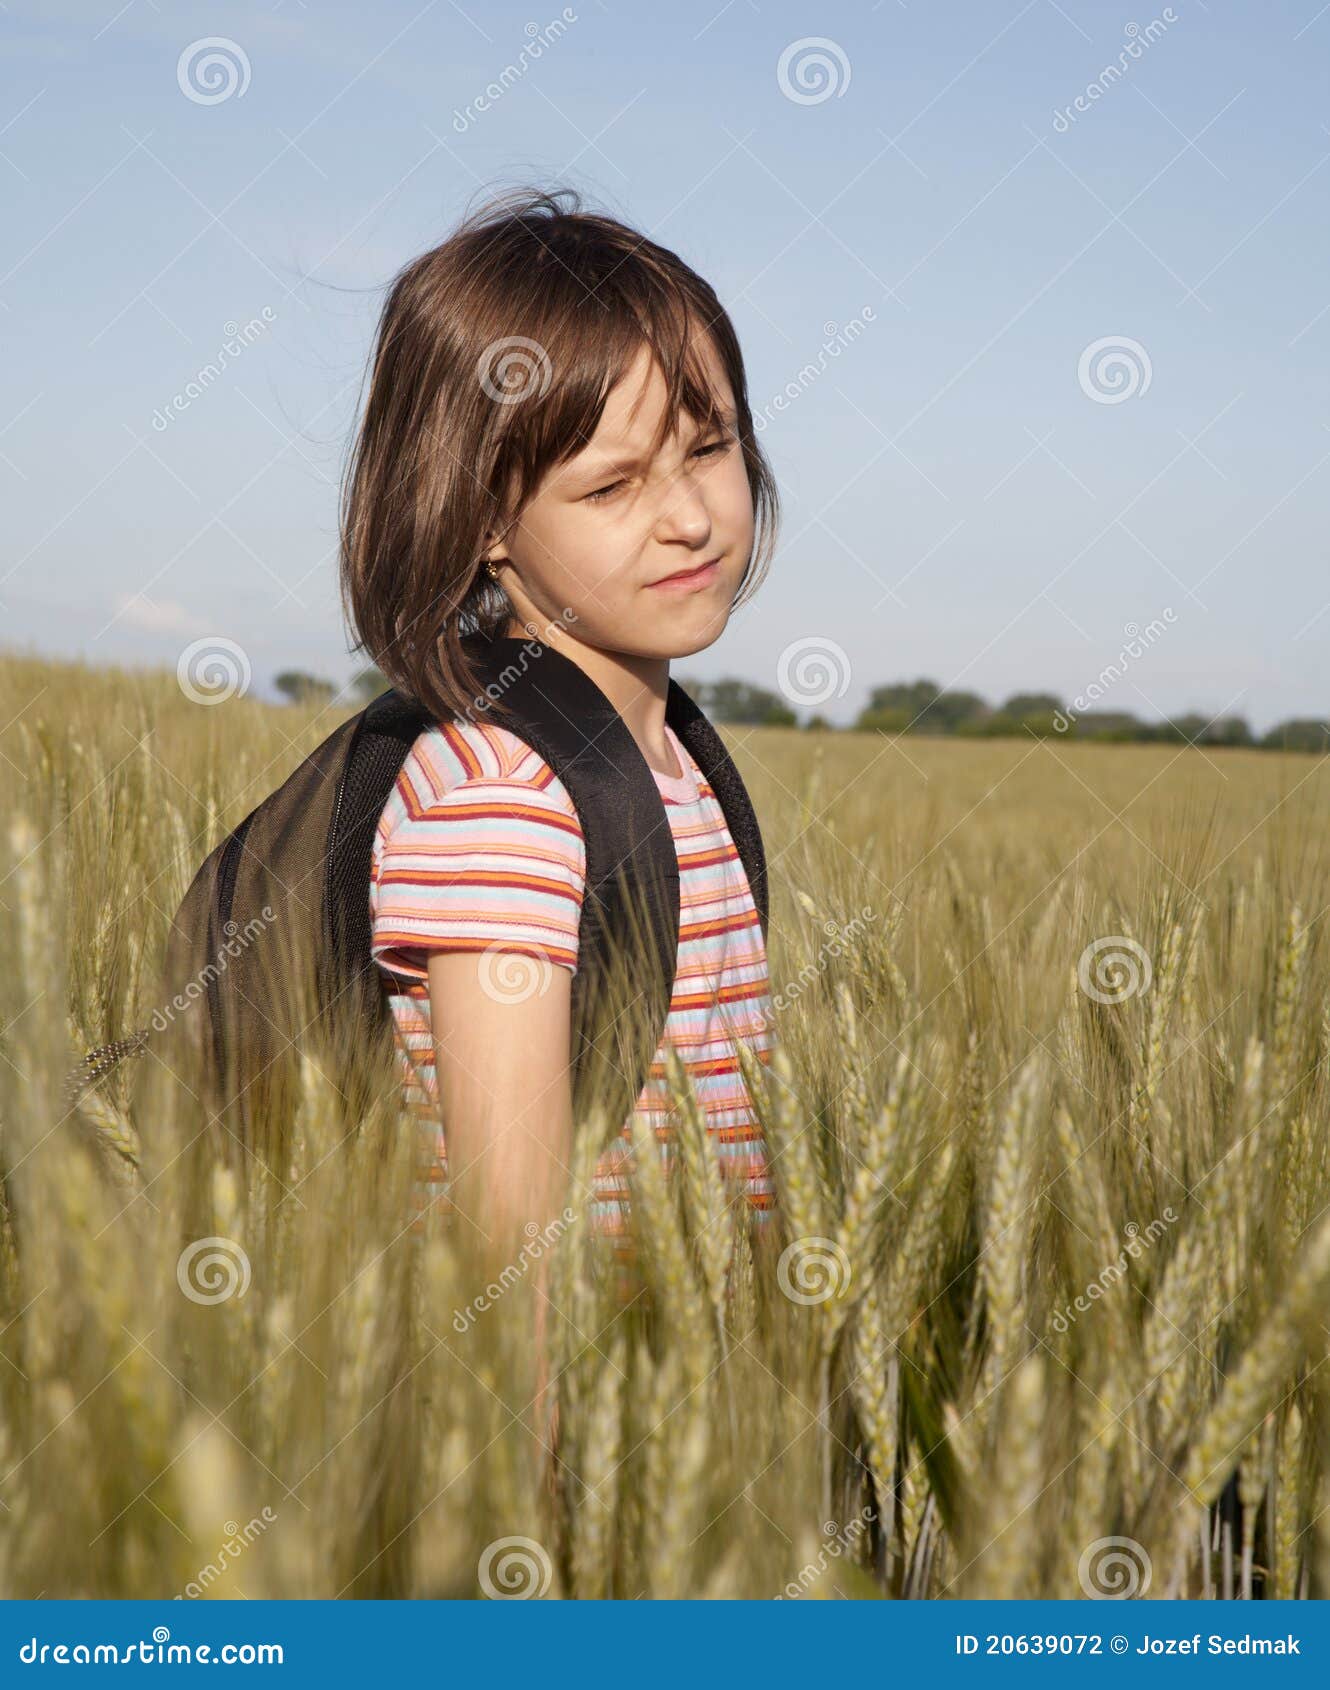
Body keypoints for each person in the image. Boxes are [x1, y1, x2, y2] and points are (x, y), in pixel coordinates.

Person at [339, 184, 782, 1451]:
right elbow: (510, 1266)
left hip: (678, 1448)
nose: (691, 515)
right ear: (482, 524)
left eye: (709, 448)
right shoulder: (505, 802)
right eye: (611, 486)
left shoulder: (683, 768)